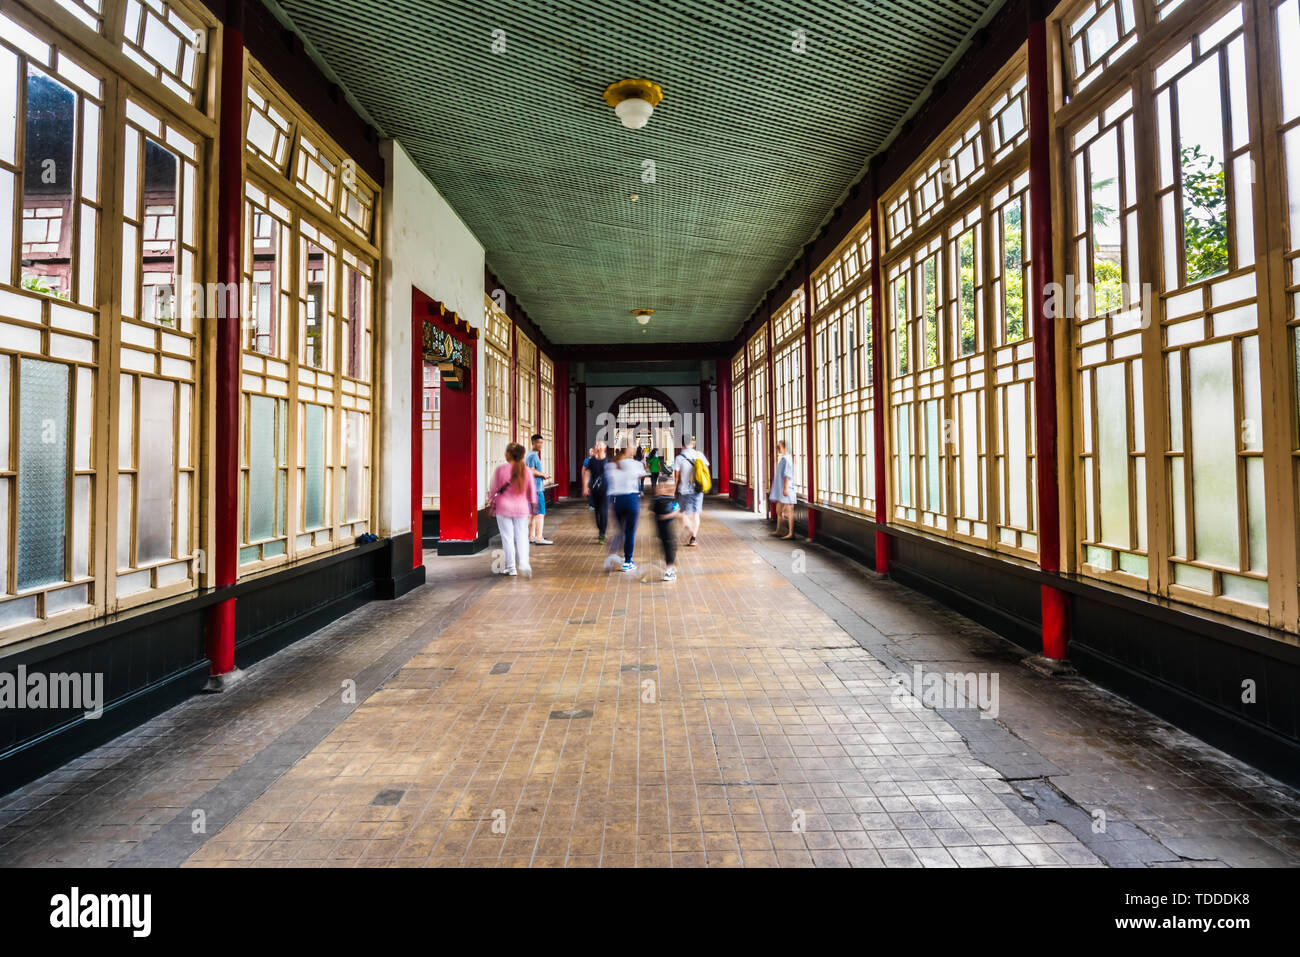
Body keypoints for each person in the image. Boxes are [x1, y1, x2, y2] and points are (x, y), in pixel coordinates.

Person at [488, 442, 537, 577]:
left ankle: (511, 568)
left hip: (503, 508)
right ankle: (524, 563)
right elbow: (532, 491)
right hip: (521, 508)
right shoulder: (526, 470)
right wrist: (533, 506)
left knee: (507, 538)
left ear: (509, 454)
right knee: (522, 537)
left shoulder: (500, 470)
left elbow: (493, 491)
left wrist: (490, 499)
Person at [603, 443, 645, 572]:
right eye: (633, 447)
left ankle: (611, 555)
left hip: (616, 500)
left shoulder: (610, 465)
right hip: (631, 499)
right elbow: (642, 475)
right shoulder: (635, 464)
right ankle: (627, 561)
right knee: (629, 532)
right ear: (627, 449)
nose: (634, 449)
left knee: (619, 532)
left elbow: (608, 483)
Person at [673, 434, 710, 548]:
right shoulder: (700, 455)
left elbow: (677, 477)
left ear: (682, 445)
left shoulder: (679, 458)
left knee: (682, 513)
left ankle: (688, 527)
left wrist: (673, 490)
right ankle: (693, 538)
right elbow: (705, 470)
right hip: (698, 489)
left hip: (684, 490)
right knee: (696, 514)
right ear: (692, 443)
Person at [651, 467, 681, 582]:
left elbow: (652, 513)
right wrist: (669, 516)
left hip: (660, 530)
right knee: (670, 550)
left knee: (666, 549)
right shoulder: (669, 500)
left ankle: (670, 568)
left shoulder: (656, 499)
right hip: (668, 531)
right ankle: (669, 572)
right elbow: (675, 512)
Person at [526, 433, 552, 545]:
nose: (540, 445)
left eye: (542, 442)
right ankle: (539, 537)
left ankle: (531, 536)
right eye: (538, 442)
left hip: (531, 489)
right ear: (533, 443)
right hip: (536, 489)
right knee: (540, 513)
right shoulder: (533, 456)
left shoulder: (530, 455)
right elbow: (531, 470)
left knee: (533, 514)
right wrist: (543, 475)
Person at [583, 440, 609, 544]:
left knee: (604, 512)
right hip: (594, 490)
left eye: (600, 445)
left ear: (604, 448)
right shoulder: (592, 461)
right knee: (597, 512)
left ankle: (602, 533)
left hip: (606, 490)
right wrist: (585, 487)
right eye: (597, 445)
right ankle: (600, 528)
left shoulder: (608, 461)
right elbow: (587, 473)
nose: (598, 447)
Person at [770, 438, 797, 539]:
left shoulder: (787, 459)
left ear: (784, 447)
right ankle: (779, 530)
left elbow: (787, 475)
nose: (777, 449)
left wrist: (785, 488)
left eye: (779, 447)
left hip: (787, 489)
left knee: (789, 512)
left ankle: (791, 533)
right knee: (779, 510)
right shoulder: (783, 459)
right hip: (781, 490)